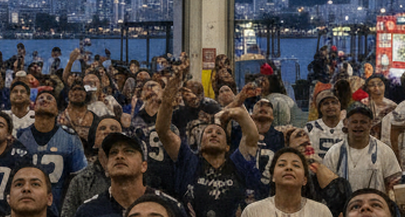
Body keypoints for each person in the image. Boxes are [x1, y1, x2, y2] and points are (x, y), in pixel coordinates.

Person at [158, 63, 262, 217]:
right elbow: (163, 131)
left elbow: (252, 137)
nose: (214, 134)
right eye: (209, 132)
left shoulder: (237, 163)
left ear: (228, 147)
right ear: (199, 144)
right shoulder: (188, 161)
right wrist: (167, 98)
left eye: (219, 133)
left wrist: (238, 113)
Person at [73, 133, 184, 217]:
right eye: (113, 152)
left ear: (143, 166)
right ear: (107, 167)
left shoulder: (170, 206)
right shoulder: (88, 210)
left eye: (129, 151)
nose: (119, 156)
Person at [16, 89, 87, 211]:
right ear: (34, 107)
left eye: (49, 98)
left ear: (57, 111)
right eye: (41, 98)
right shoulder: (20, 137)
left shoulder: (71, 139)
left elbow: (79, 180)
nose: (44, 100)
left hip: (58, 208)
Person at [323, 103, 402, 193]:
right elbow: (327, 186)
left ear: (370, 124)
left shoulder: (384, 151)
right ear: (346, 123)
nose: (358, 125)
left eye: (363, 122)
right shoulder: (334, 153)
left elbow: (394, 185)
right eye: (354, 122)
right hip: (343, 206)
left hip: (375, 205)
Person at [241, 148, 333, 217]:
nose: (289, 168)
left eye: (296, 165)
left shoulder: (321, 212)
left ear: (304, 180)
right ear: (273, 177)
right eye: (282, 164)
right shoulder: (253, 212)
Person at [62, 117, 120, 217]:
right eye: (102, 128)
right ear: (95, 142)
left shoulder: (134, 175)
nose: (107, 132)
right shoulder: (80, 181)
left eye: (113, 129)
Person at [306, 90, 345, 159]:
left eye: (334, 103)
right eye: (326, 104)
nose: (330, 106)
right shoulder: (309, 128)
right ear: (320, 108)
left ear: (339, 106)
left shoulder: (349, 128)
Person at [362, 76, 397, 143]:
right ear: (367, 88)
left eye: (380, 84)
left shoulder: (392, 106)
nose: (376, 88)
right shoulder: (362, 105)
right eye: (372, 85)